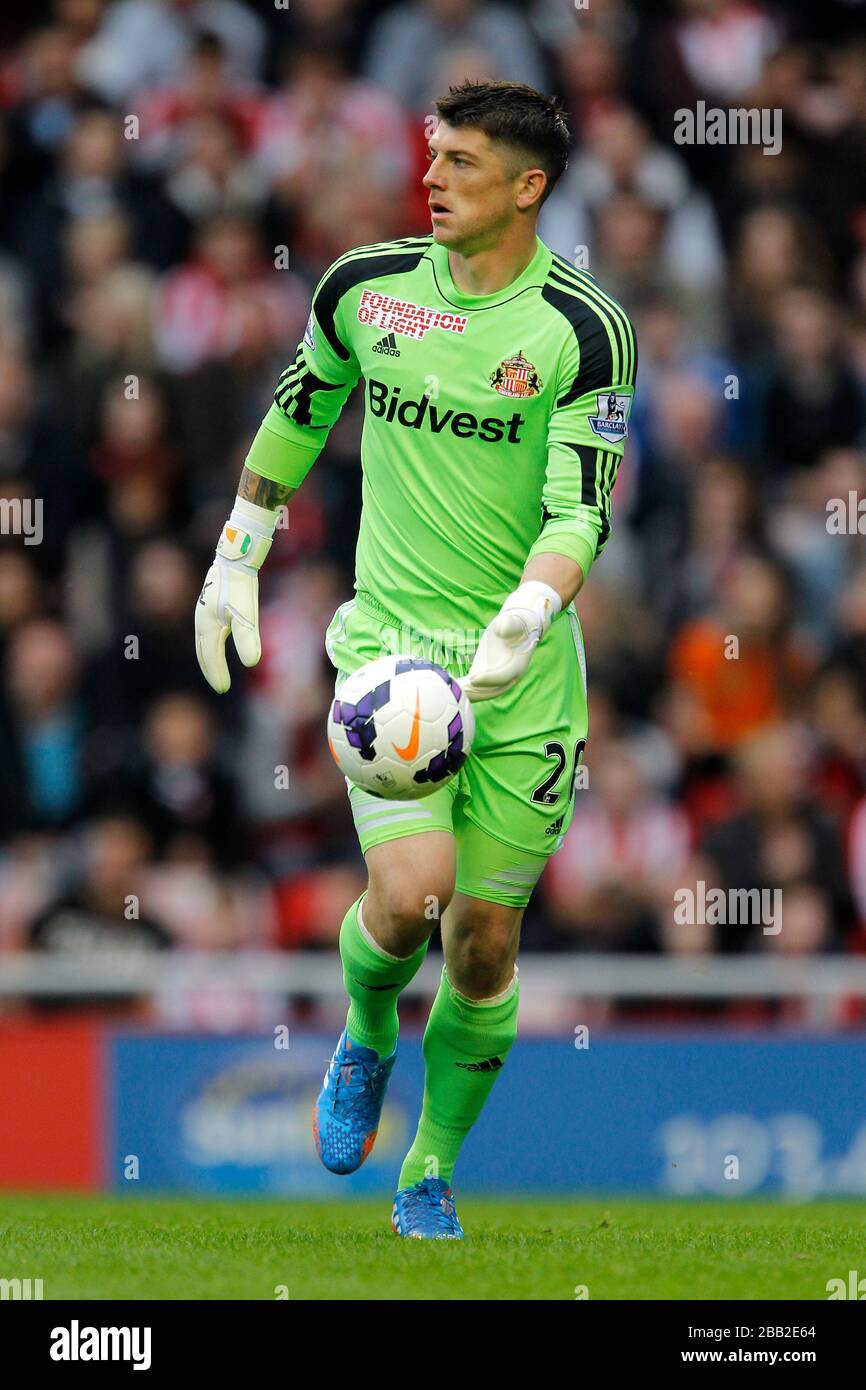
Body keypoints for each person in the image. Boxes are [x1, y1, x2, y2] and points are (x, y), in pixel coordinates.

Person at [195, 80, 637, 1238]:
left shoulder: (582, 329)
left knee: (482, 940)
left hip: (521, 668)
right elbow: (299, 410)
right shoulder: (364, 288)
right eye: (431, 156)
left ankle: (427, 1170)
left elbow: (579, 507)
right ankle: (366, 1028)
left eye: (462, 164)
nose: (431, 178)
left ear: (527, 187)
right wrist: (237, 549)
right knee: (408, 896)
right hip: (392, 655)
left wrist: (532, 610)